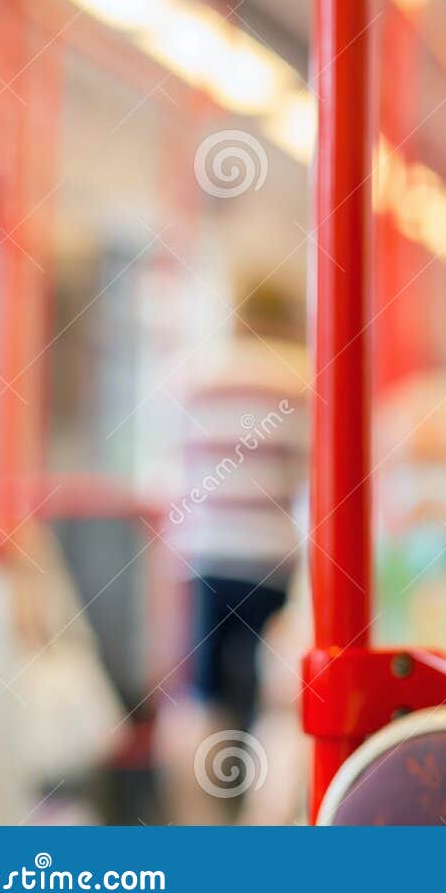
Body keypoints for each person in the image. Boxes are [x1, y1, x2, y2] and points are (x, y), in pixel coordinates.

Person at [156, 281, 308, 824]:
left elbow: (173, 468)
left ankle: (196, 827)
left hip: (203, 555)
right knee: (274, 702)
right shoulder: (301, 379)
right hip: (271, 561)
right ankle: (259, 829)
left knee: (200, 697)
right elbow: (310, 480)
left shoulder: (198, 376)